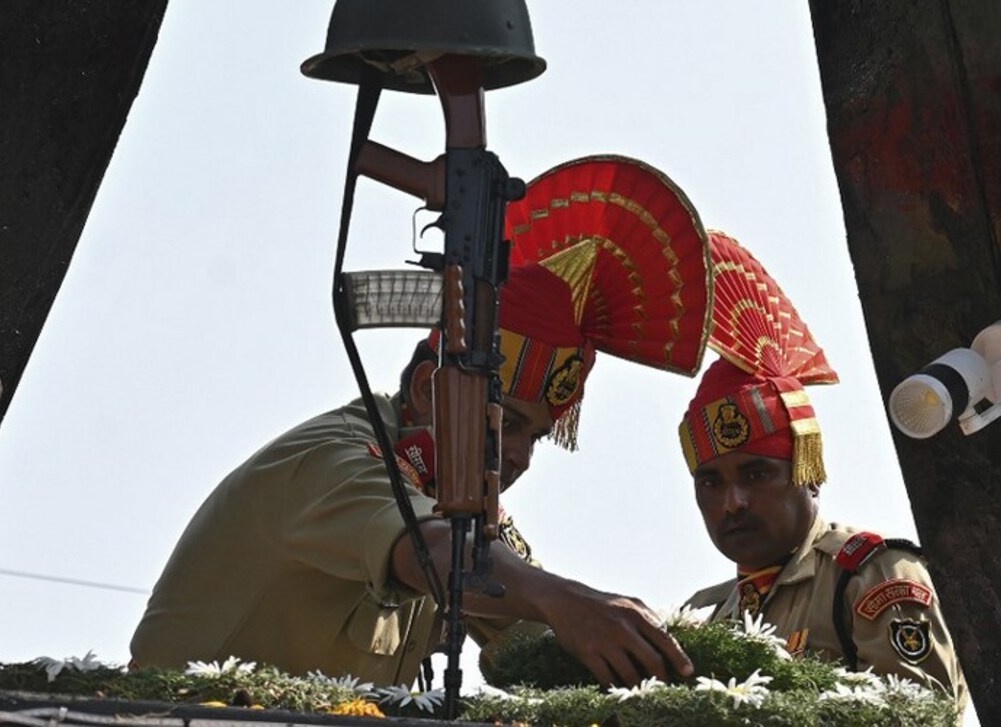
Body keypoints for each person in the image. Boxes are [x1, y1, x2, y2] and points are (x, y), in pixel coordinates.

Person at [130, 156, 713, 688]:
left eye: (534, 437)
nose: (519, 457)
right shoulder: (335, 460)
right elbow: (429, 549)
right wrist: (561, 598)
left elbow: (537, 635)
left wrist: (677, 671)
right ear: (425, 391)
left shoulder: (468, 520)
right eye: (505, 421)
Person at [682, 231, 970, 713]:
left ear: (808, 471)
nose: (732, 501)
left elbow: (919, 718)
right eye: (710, 481)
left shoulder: (869, 574)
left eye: (755, 474)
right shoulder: (707, 614)